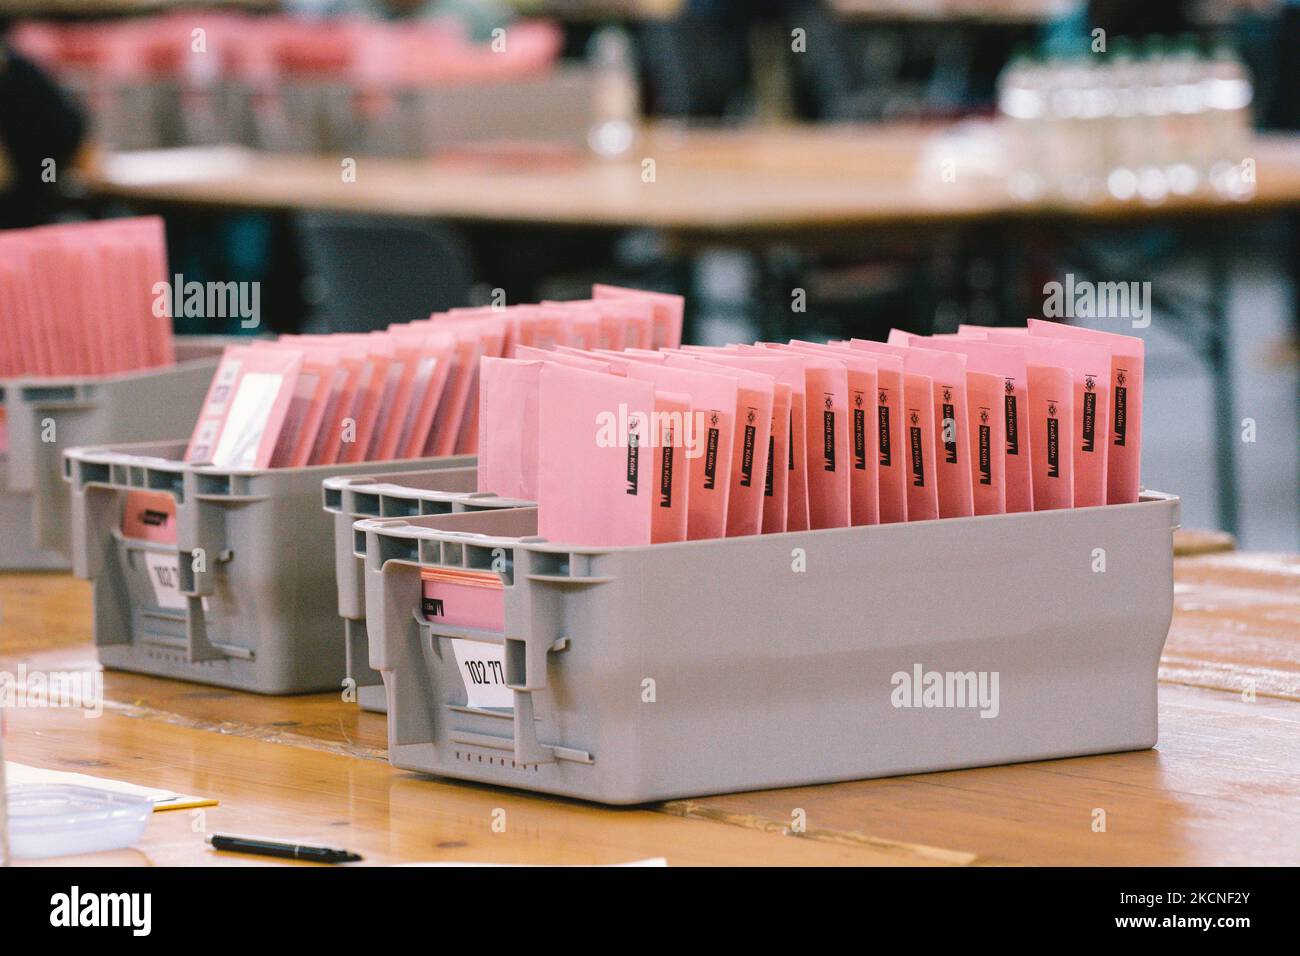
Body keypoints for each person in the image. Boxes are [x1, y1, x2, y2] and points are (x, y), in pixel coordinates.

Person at [0, 29, 88, 229]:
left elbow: (72, 139)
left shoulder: (23, 76)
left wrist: (49, 176)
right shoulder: (20, 70)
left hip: (29, 213)